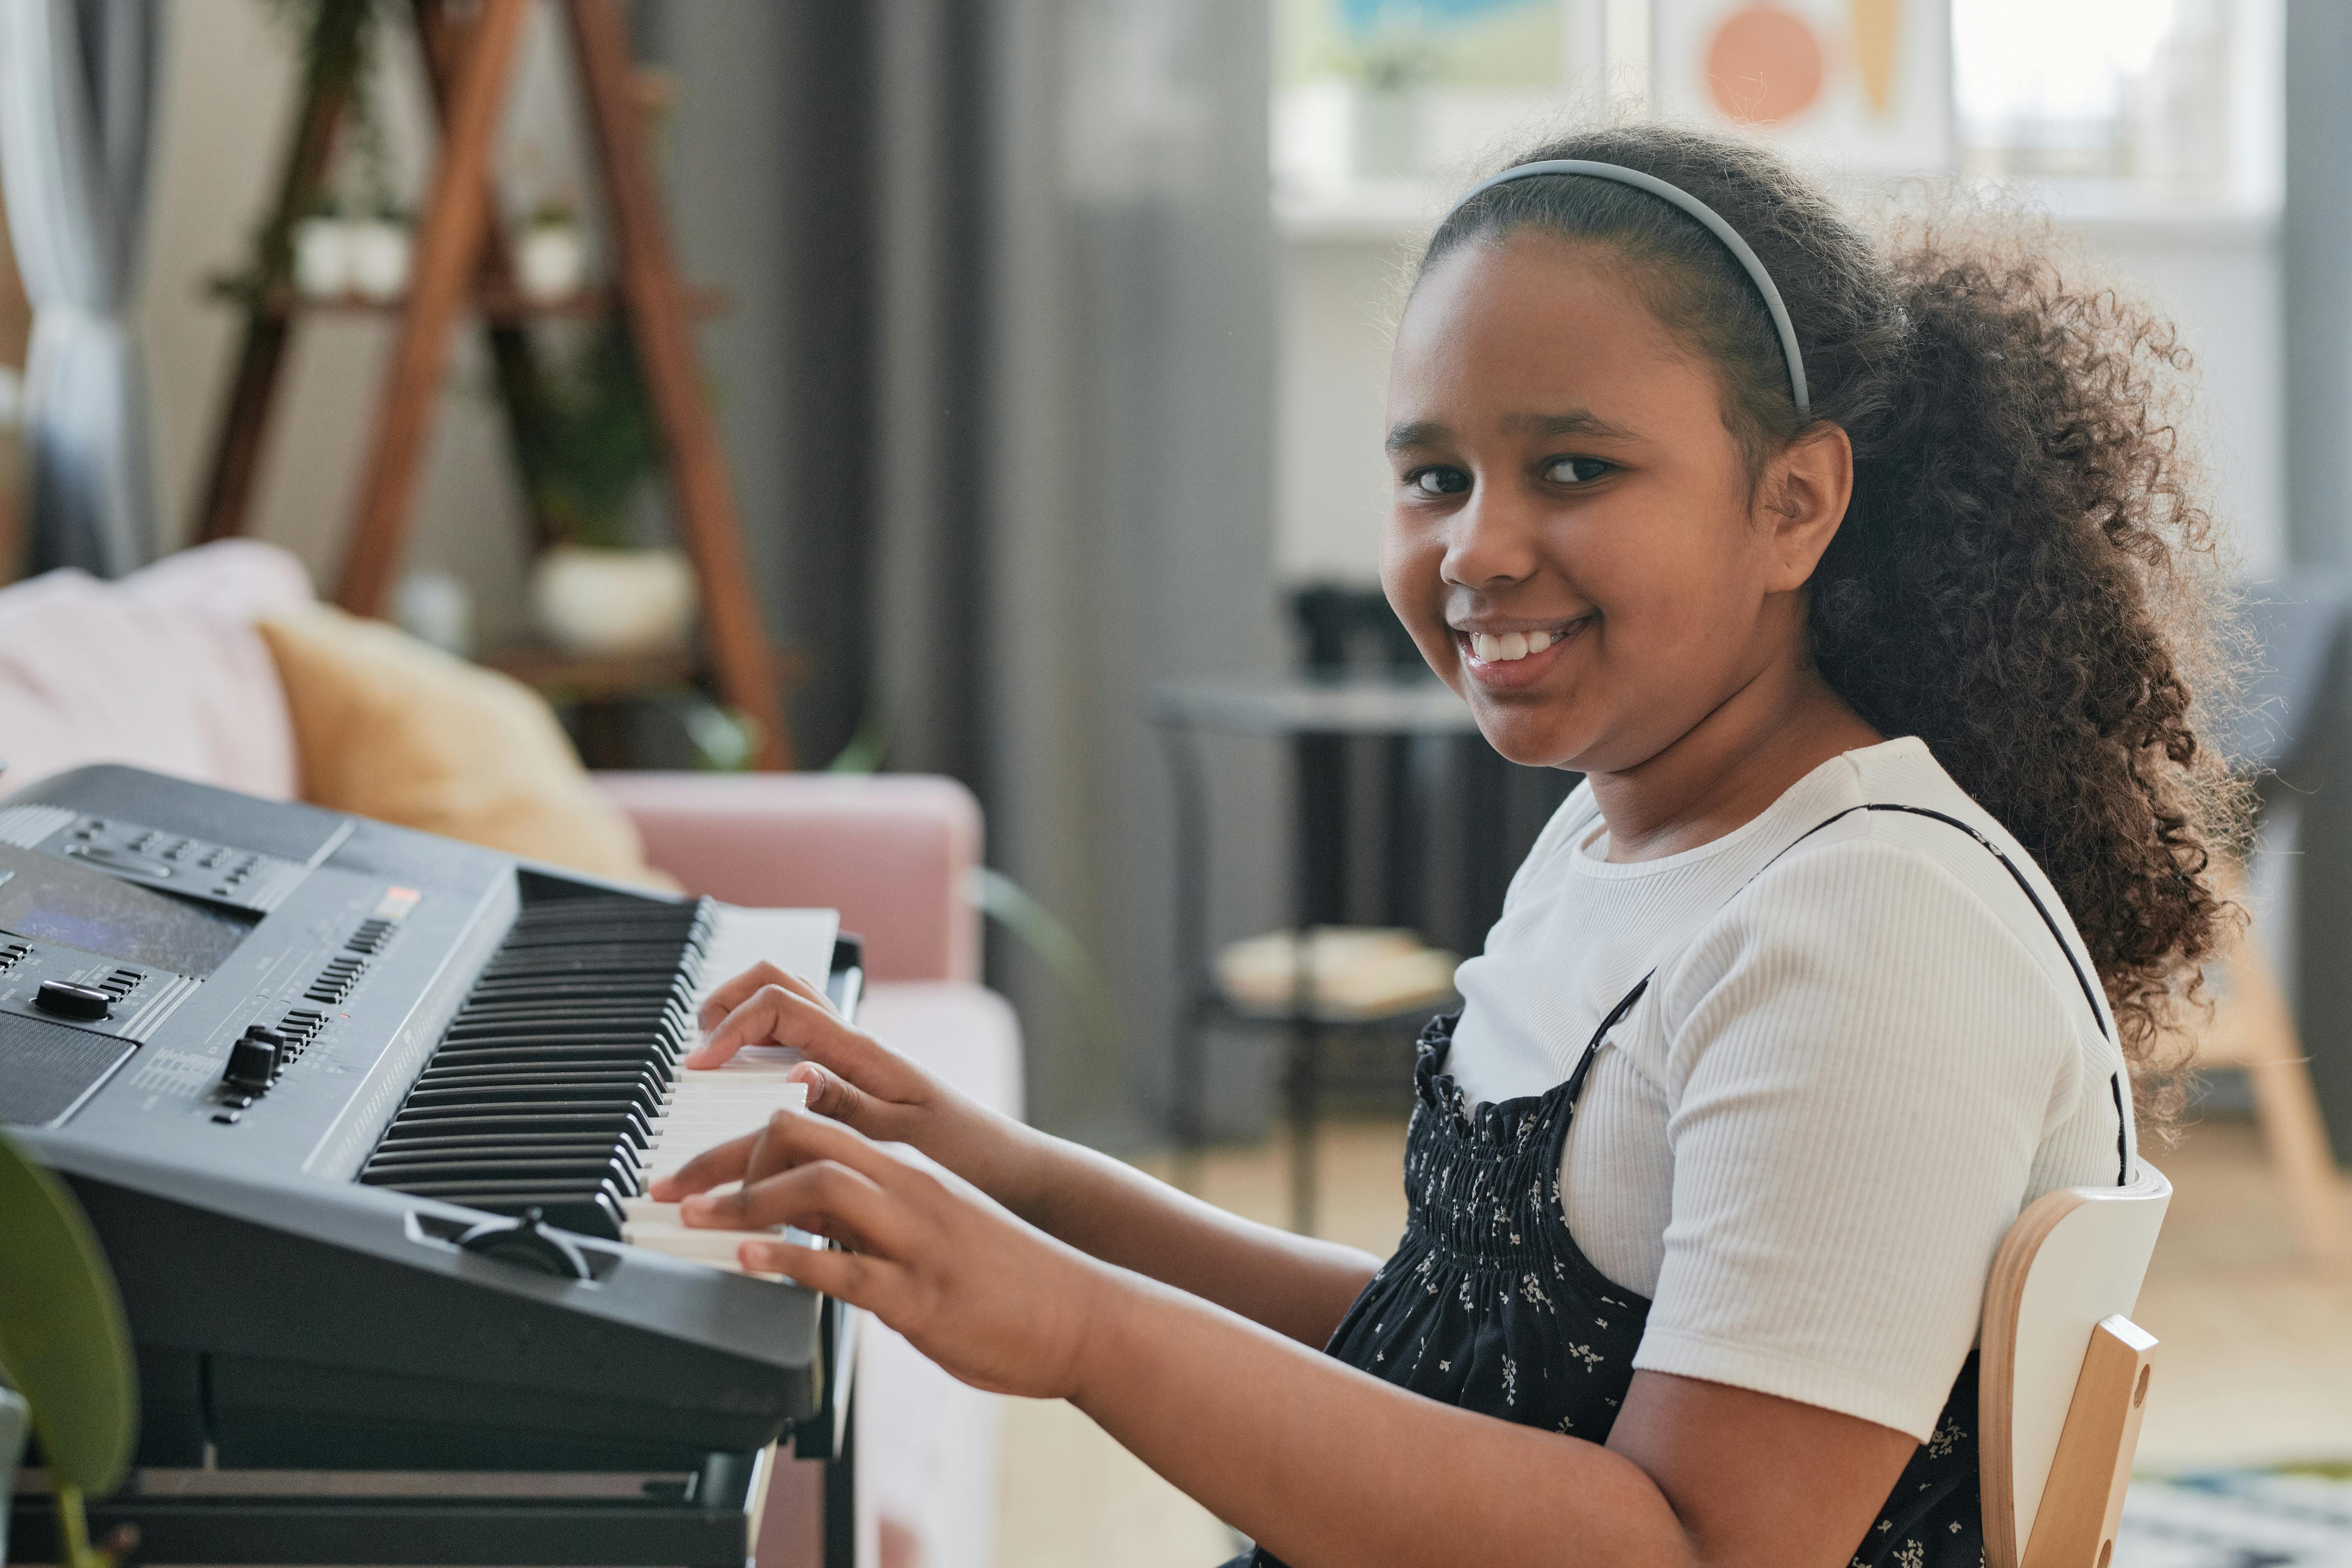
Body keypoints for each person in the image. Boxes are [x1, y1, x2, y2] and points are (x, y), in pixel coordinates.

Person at [656, 123, 2240, 1568]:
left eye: (1575, 468)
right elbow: (1453, 1352)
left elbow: (1702, 1550)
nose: (1475, 549)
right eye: (1434, 477)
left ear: (1796, 501)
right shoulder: (1621, 840)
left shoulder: (1873, 930)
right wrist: (1014, 1178)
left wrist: (1082, 1331)